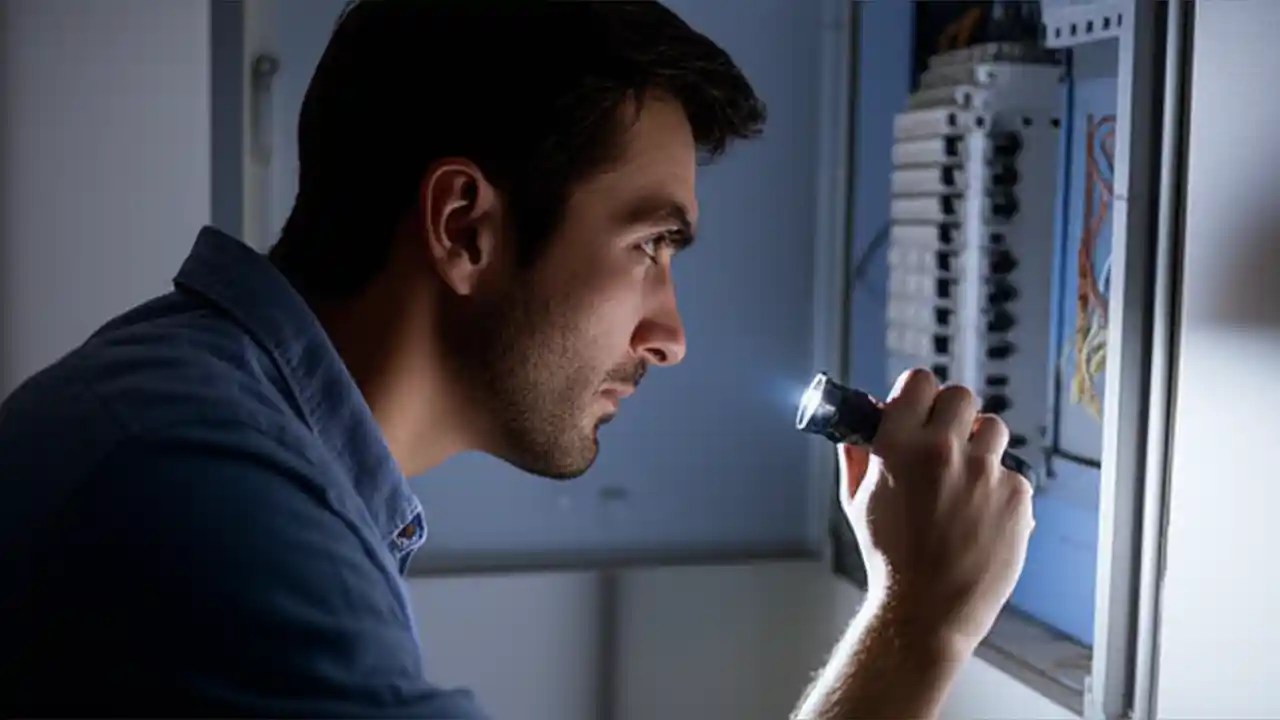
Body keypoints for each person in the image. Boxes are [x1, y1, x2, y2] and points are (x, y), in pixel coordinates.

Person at [0, 1, 1033, 718]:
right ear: (463, 226)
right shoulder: (210, 496)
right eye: (647, 248)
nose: (668, 336)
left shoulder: (215, 423)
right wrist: (919, 625)